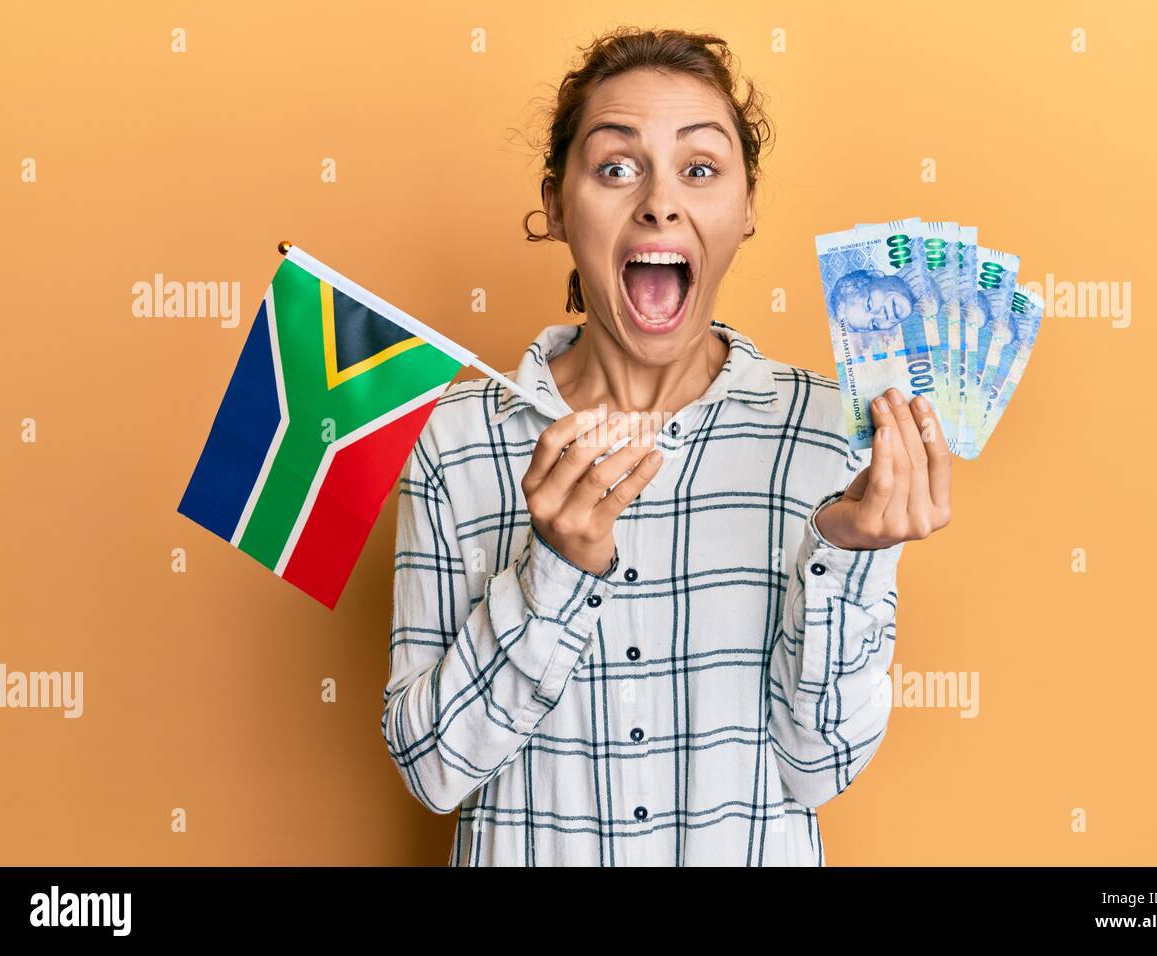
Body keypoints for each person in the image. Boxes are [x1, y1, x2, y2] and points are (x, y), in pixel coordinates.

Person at [381, 26, 953, 866]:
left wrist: (843, 551)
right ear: (555, 201)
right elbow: (433, 771)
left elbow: (820, 765)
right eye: (616, 167)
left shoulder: (835, 437)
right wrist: (555, 572)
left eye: (699, 168)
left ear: (747, 207)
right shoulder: (457, 442)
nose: (657, 199)